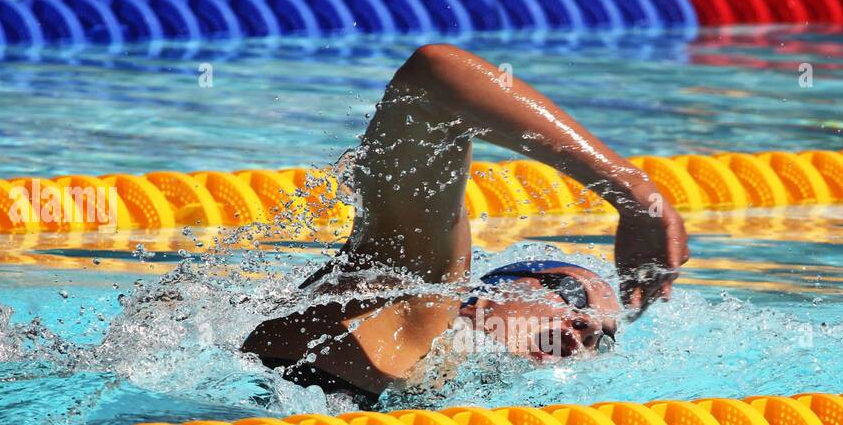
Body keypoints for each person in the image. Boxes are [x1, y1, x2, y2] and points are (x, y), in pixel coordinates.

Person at [242, 43, 689, 405]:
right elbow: (434, 77)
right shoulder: (408, 297)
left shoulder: (449, 396)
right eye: (572, 295)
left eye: (602, 339)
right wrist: (632, 191)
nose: (585, 326)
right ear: (488, 293)